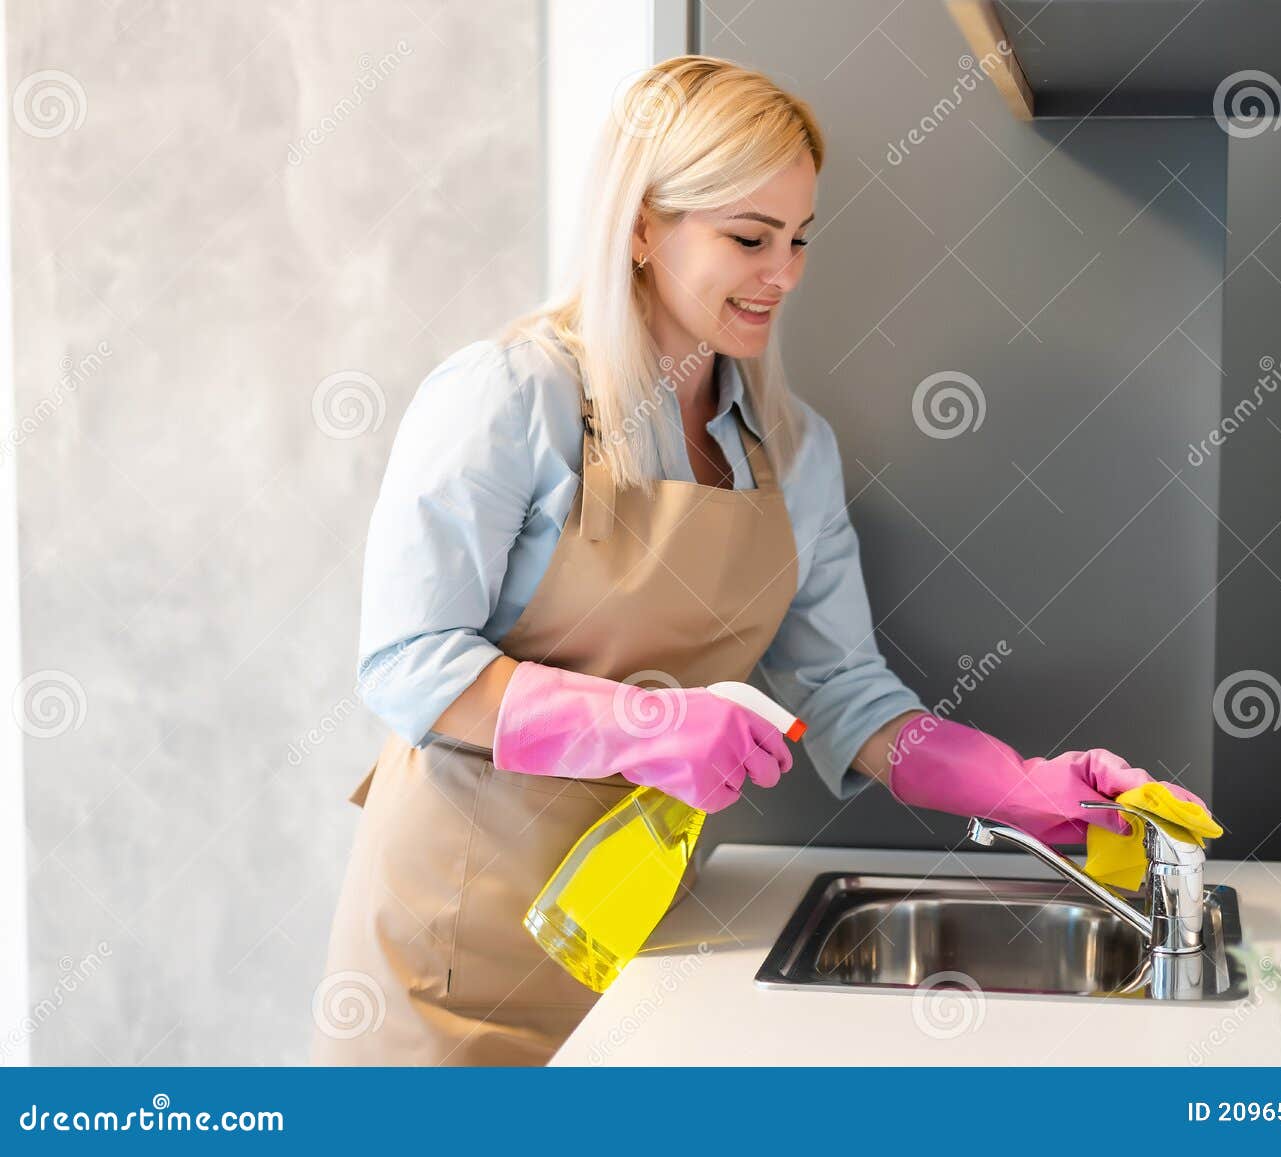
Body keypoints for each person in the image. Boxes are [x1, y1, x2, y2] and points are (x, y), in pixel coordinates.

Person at [312, 54, 1209, 1066]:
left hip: (641, 933)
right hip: (455, 945)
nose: (781, 274)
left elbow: (843, 689)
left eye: (797, 240)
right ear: (643, 226)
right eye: (748, 237)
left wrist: (1021, 786)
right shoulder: (508, 398)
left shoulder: (791, 450)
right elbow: (409, 662)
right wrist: (643, 721)